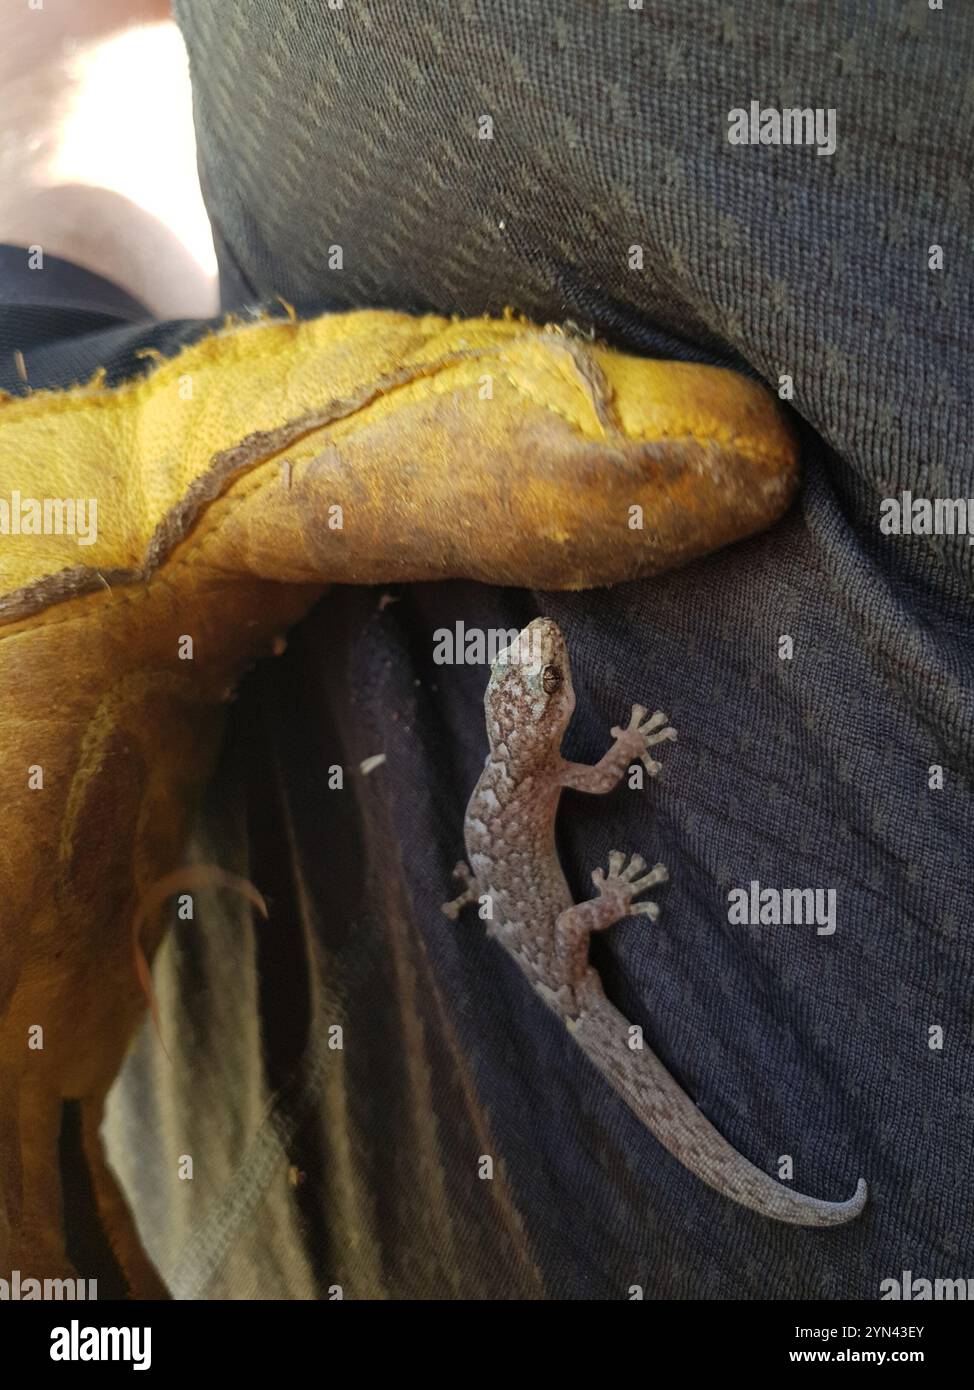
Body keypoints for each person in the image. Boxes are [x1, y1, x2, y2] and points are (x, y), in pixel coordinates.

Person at [1, 0, 970, 1300]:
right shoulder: (535, 774)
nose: (546, 677)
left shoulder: (534, 771)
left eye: (546, 682)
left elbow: (547, 798)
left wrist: (33, 297)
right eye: (550, 687)